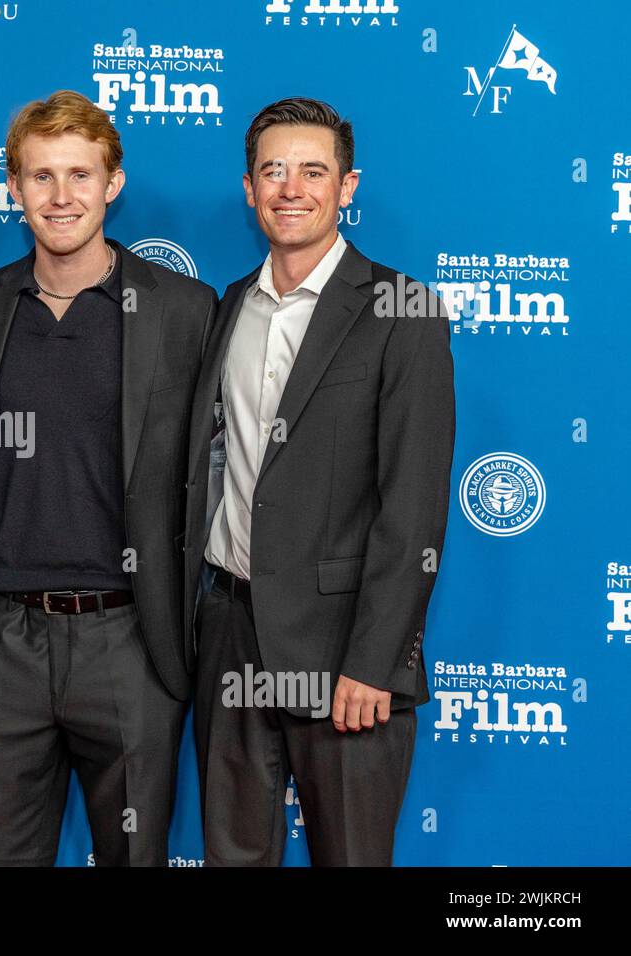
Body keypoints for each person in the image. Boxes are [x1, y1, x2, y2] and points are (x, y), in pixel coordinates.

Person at [186, 97, 455, 866]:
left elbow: (414, 509)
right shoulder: (227, 307)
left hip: (345, 652)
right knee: (232, 853)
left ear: (347, 186)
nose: (290, 187)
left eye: (313, 170)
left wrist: (376, 663)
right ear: (248, 188)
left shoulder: (403, 311)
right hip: (231, 635)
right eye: (272, 170)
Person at [0, 91, 217, 866]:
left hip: (130, 636)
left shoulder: (183, 308)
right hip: (5, 638)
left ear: (114, 184)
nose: (60, 196)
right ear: (14, 189)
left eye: (79, 175)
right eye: (41, 177)